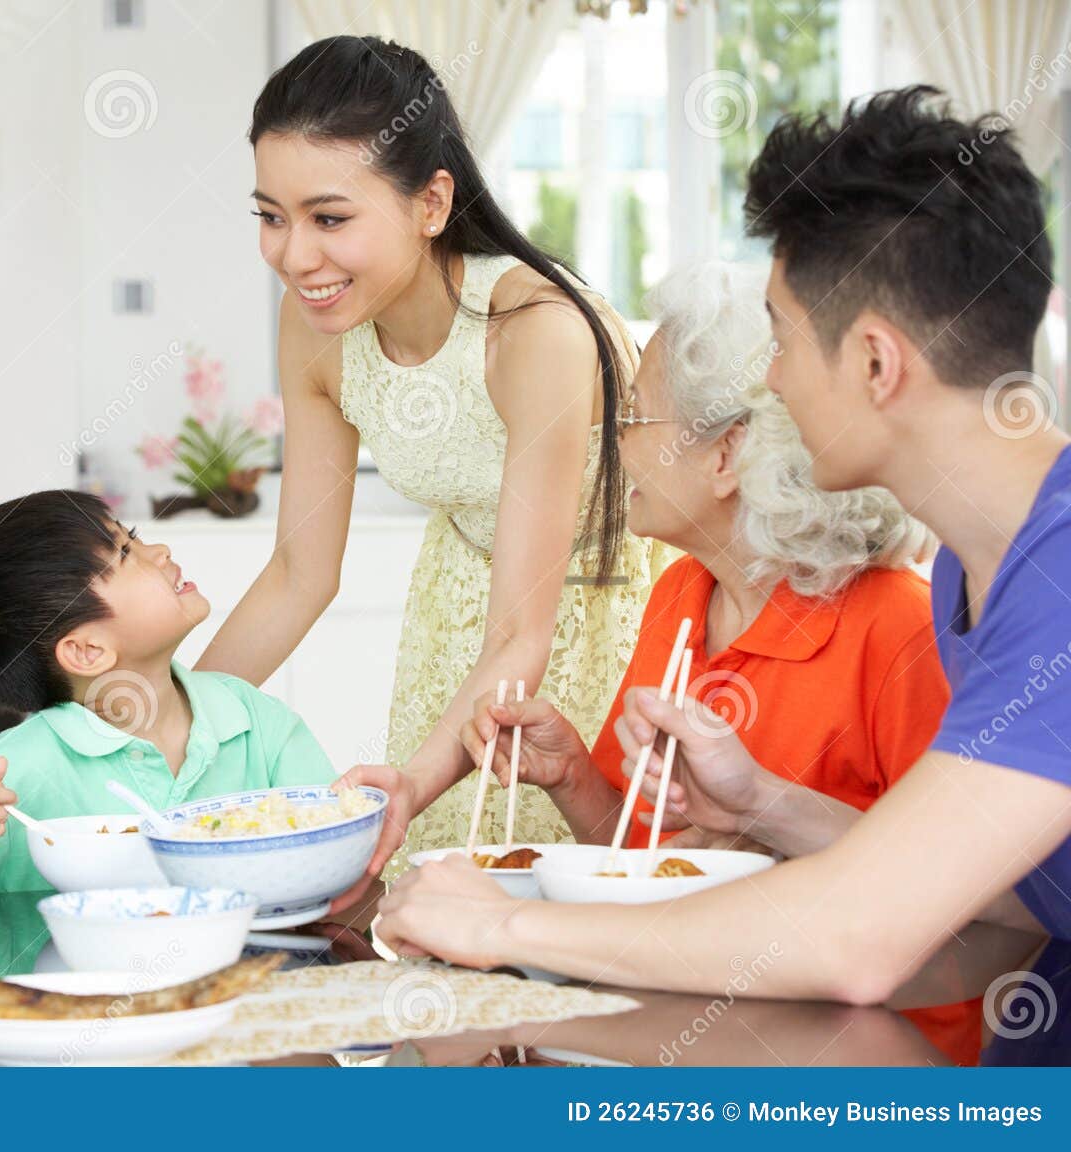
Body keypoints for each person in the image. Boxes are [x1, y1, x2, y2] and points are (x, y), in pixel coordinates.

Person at [376, 87, 1071, 1004]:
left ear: (874, 362)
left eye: (781, 339)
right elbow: (1002, 911)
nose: (772, 380)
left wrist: (498, 922)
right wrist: (765, 806)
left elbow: (859, 940)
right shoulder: (969, 573)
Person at [457, 260, 983, 1062]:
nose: (614, 442)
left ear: (728, 454)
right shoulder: (679, 594)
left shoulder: (895, 626)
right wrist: (571, 777)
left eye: (633, 416)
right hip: (699, 1023)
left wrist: (773, 829)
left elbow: (963, 902)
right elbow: (640, 865)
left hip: (875, 1052)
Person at [195, 35, 670, 877]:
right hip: (461, 613)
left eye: (330, 218)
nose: (294, 257)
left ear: (431, 202)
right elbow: (301, 572)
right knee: (446, 901)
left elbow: (526, 630)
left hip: (602, 613)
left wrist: (411, 780)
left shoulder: (536, 334)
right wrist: (172, 724)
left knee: (574, 897)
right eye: (271, 216)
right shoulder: (315, 325)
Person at [0, 490, 337, 894]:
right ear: (88, 651)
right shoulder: (7, 778)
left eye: (135, 536)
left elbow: (335, 845)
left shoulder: (253, 719)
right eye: (125, 553)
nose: (160, 551)